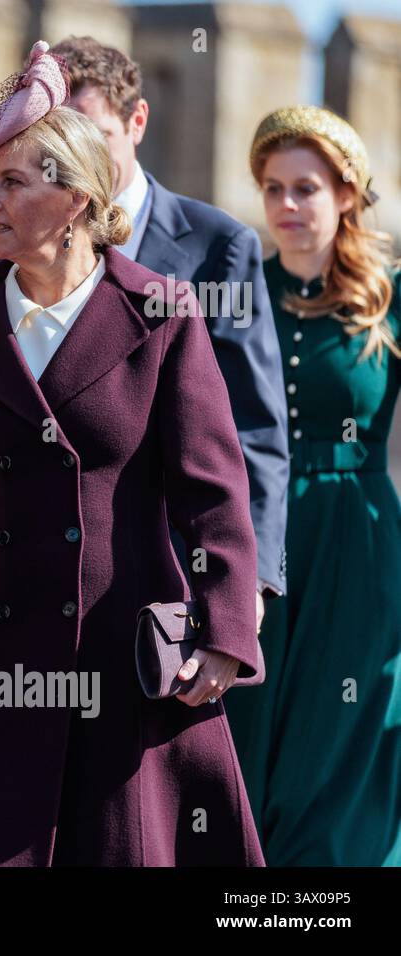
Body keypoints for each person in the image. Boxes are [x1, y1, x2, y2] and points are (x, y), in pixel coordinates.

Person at [0, 41, 264, 866]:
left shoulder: (165, 316)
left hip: (122, 664)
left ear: (74, 198)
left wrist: (222, 631)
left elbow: (213, 491)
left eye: (13, 183)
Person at [0, 36, 288, 619]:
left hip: (165, 565)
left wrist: (249, 580)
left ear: (136, 121)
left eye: (93, 136)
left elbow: (253, 425)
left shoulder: (220, 246)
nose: (74, 157)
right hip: (22, 560)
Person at [224, 106, 401, 866]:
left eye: (306, 188)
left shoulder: (388, 300)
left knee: (341, 731)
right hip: (252, 537)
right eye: (272, 189)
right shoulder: (234, 294)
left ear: (347, 194)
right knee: (250, 722)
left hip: (359, 542)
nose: (287, 206)